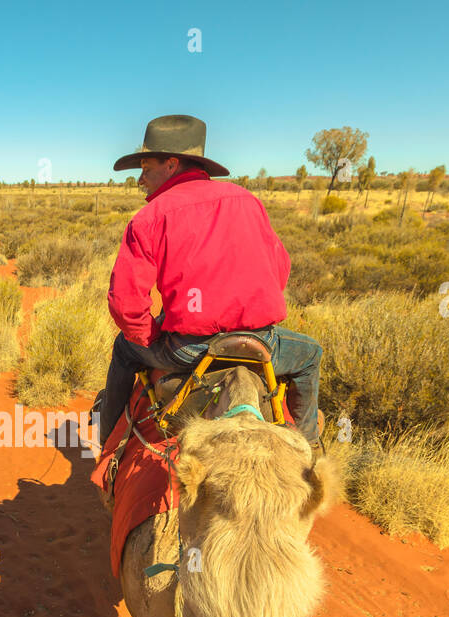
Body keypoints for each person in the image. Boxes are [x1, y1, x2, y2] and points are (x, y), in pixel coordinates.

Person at [94, 114, 323, 456]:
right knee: (310, 355)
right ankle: (309, 447)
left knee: (124, 348)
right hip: (259, 343)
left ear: (171, 164)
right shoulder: (247, 201)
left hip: (190, 349)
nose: (140, 180)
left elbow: (125, 303)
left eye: (145, 168)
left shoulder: (150, 217)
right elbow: (280, 268)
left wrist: (150, 337)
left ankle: (108, 442)